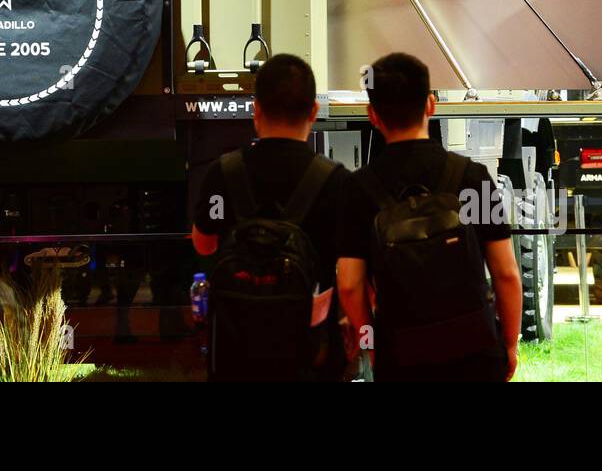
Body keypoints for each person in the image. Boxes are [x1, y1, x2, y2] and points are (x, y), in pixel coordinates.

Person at [337, 52, 522, 382]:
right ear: (431, 105)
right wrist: (508, 343)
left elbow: (350, 286)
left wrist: (372, 346)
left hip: (401, 356)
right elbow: (506, 273)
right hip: (476, 352)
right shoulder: (472, 177)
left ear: (372, 115)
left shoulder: (357, 189)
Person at [190, 53, 346, 382]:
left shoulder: (223, 173)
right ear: (314, 112)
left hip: (236, 353)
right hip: (310, 355)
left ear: (256, 109)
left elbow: (204, 245)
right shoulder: (335, 180)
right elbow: (349, 273)